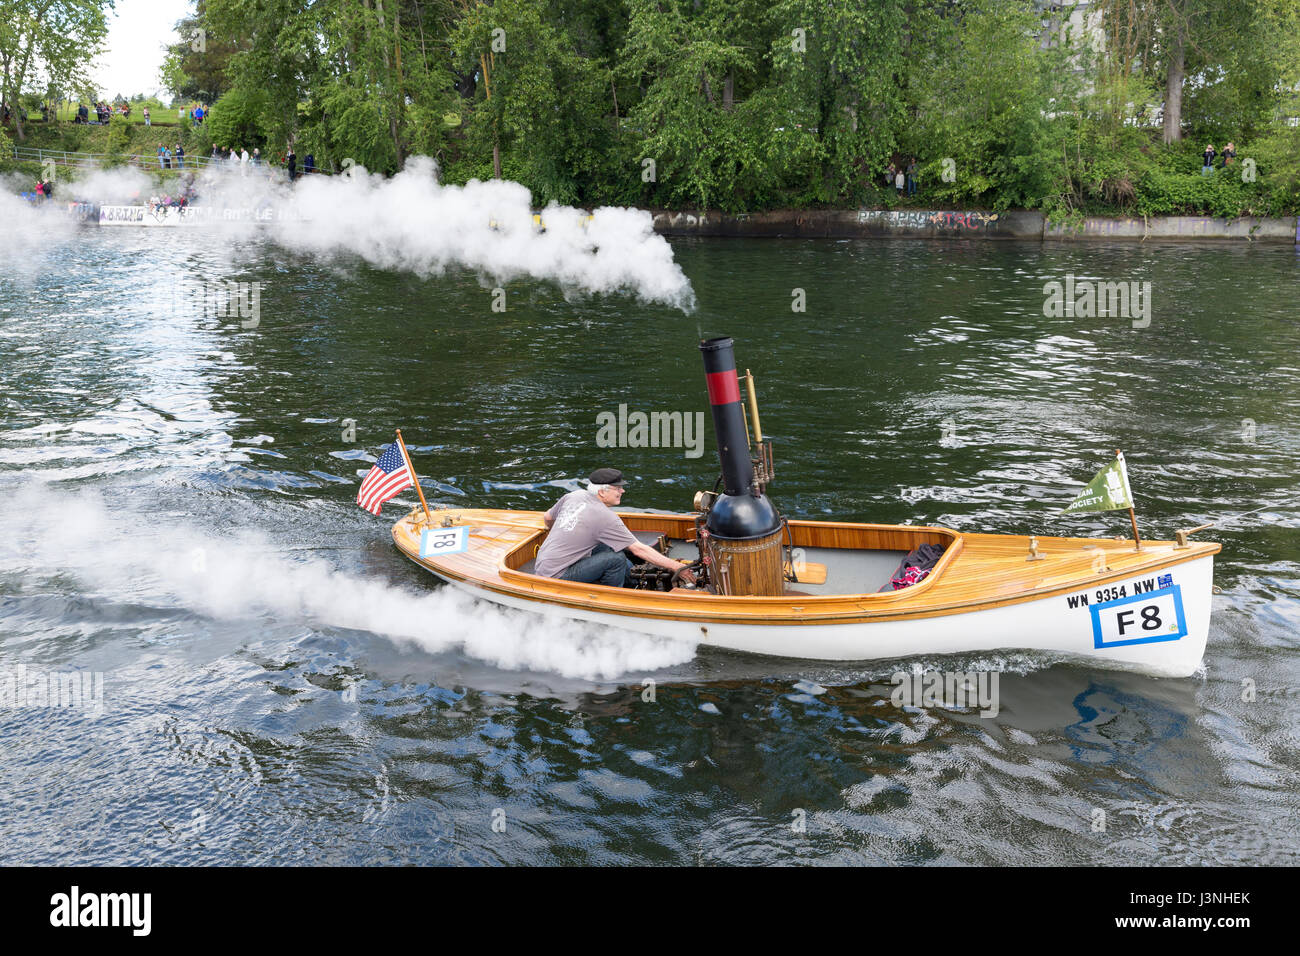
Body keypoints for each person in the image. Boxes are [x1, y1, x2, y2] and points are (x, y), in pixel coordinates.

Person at [534, 469, 695, 587]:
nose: (622, 491)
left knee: (610, 545)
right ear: (602, 492)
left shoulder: (574, 495)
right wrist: (676, 566)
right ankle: (614, 595)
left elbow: (548, 518)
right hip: (556, 577)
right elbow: (639, 550)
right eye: (618, 488)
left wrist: (564, 532)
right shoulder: (606, 517)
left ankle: (633, 580)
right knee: (616, 560)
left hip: (542, 564)